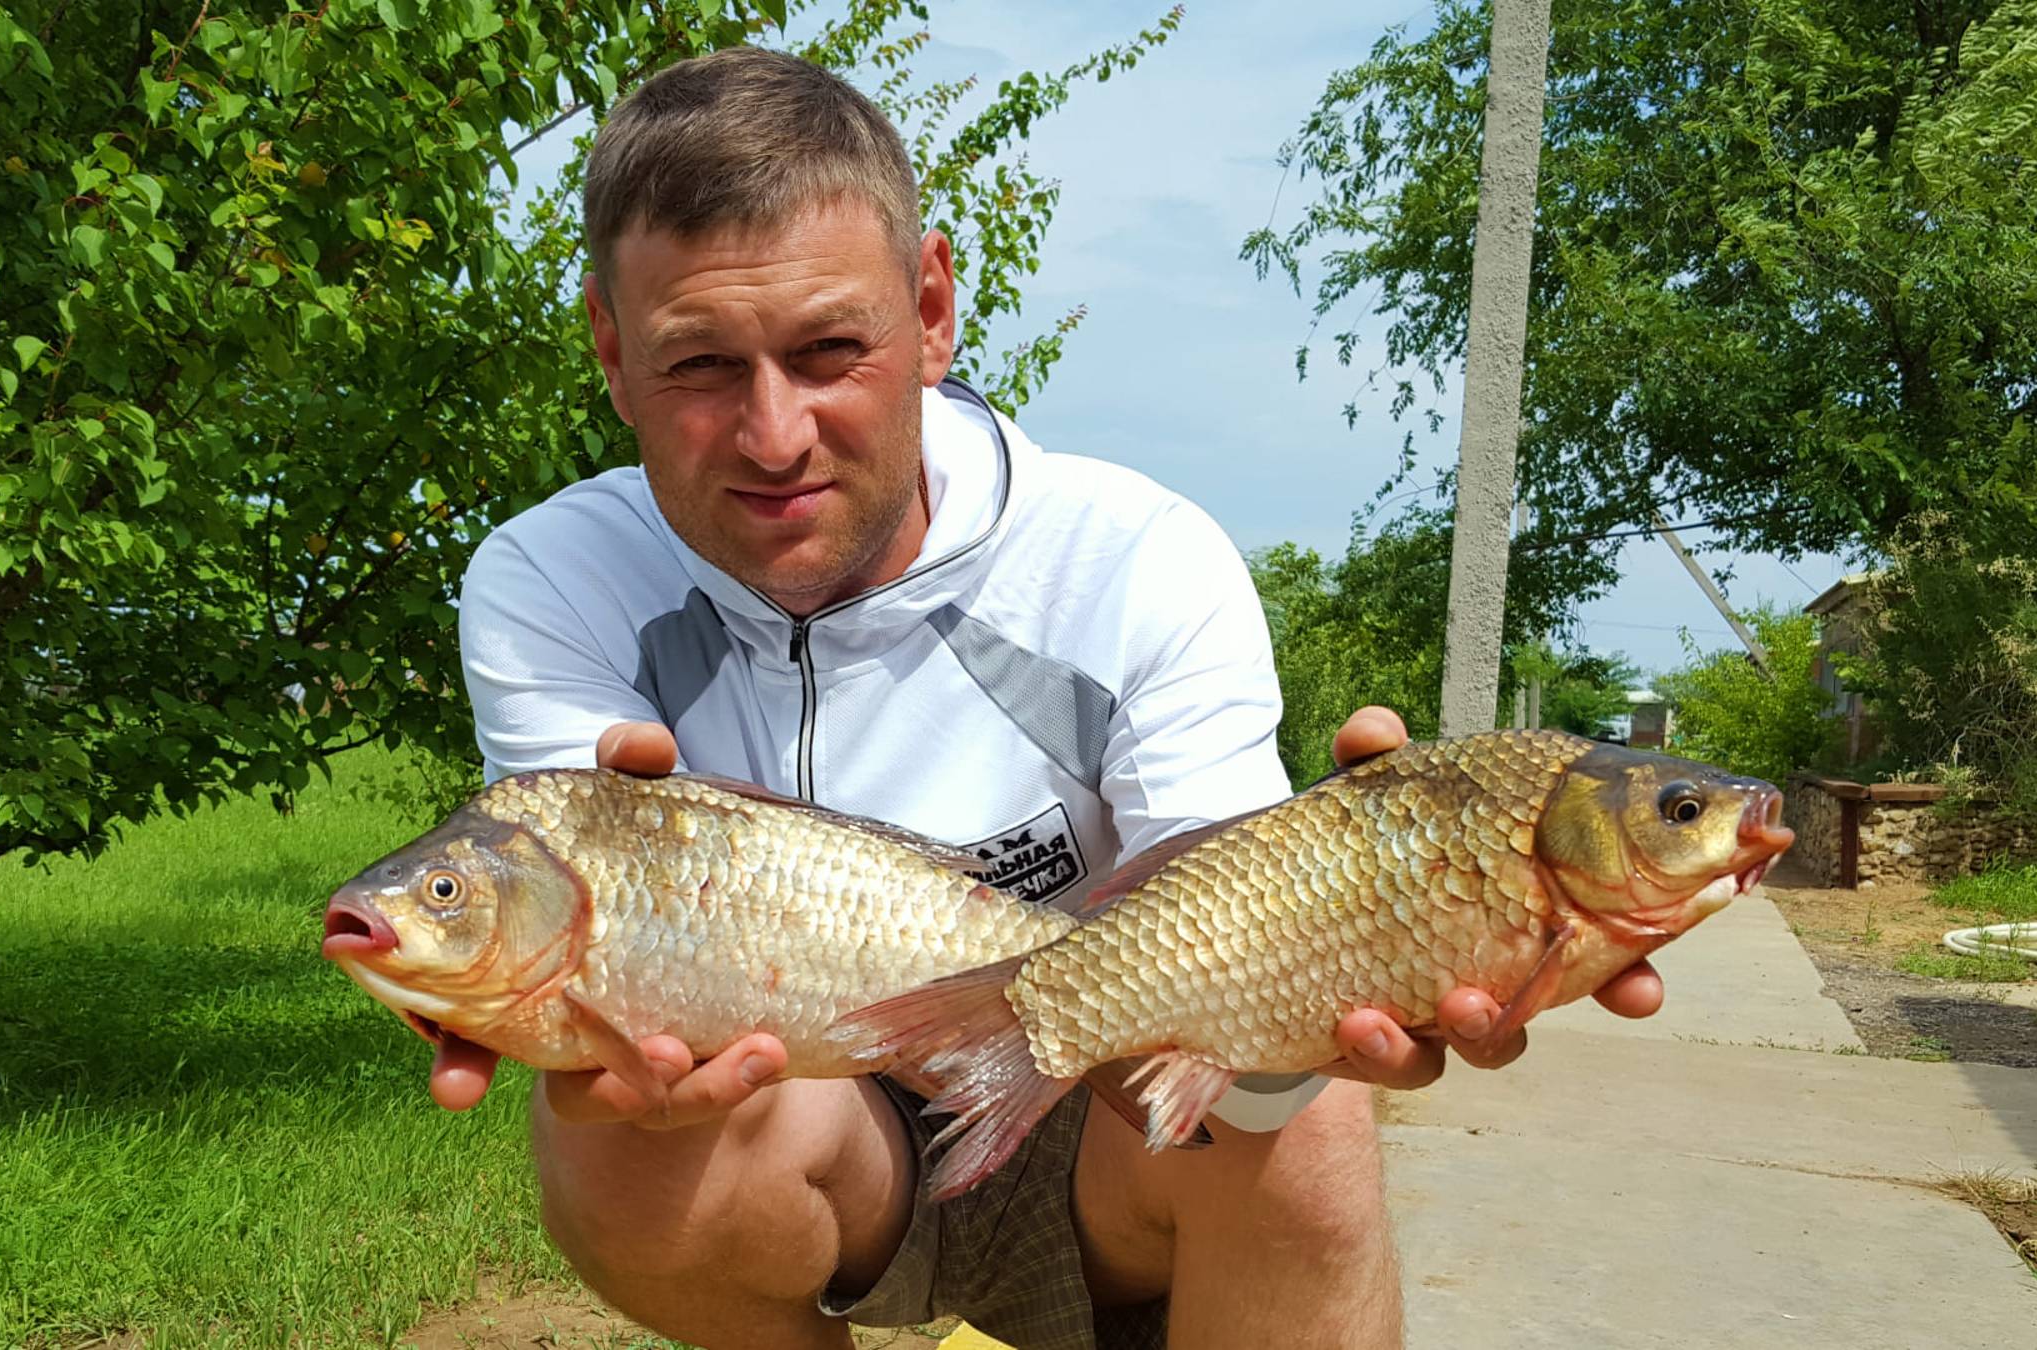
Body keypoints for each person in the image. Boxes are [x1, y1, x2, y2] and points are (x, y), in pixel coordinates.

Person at [438, 45, 1664, 1350]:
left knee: (1297, 1115)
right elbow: (564, 941)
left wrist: (1368, 919)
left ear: (933, 307)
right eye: (699, 366)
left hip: (1107, 1128)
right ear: (611, 350)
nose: (774, 433)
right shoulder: (548, 579)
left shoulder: (1135, 558)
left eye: (830, 347)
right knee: (618, 1137)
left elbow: (1241, 979)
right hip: (811, 1124)